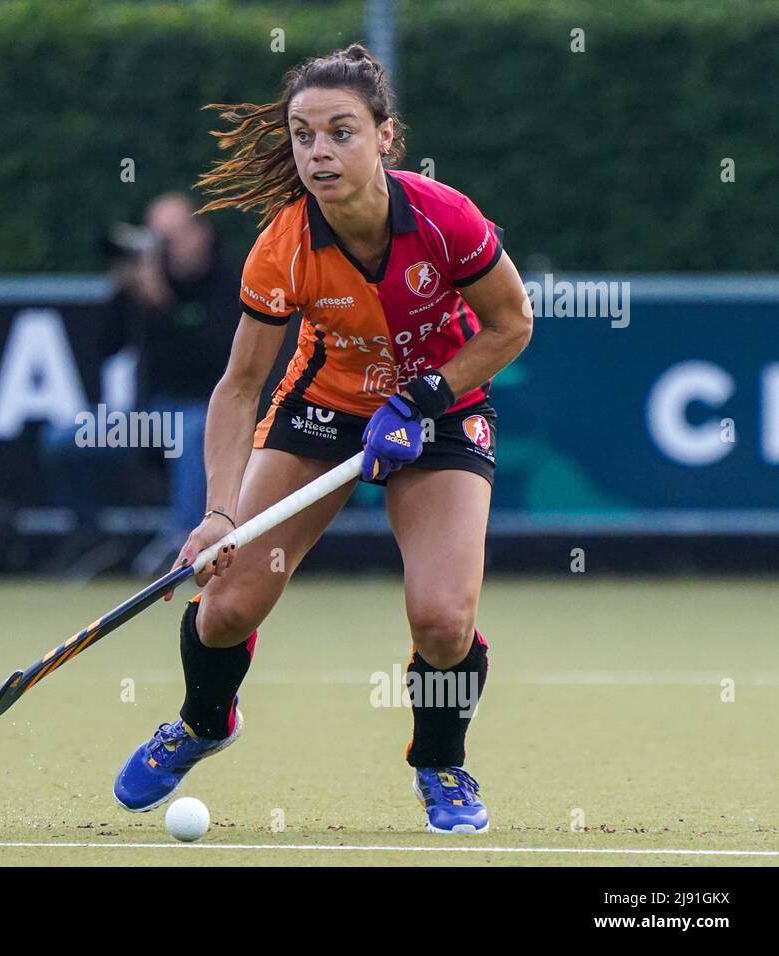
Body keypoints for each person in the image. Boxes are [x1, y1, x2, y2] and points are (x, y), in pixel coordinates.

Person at [111, 44, 533, 833]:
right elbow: (239, 388)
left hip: (439, 413)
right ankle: (204, 722)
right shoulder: (284, 245)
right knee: (225, 607)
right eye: (304, 135)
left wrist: (423, 396)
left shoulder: (446, 219)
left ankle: (441, 764)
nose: (319, 152)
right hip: (322, 414)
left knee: (443, 619)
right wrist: (218, 514)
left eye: (341, 132)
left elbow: (512, 325)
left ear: (385, 137)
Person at [40, 193, 244, 576]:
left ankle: (181, 539)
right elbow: (103, 347)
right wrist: (123, 293)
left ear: (200, 233)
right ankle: (90, 536)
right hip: (149, 421)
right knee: (62, 441)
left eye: (172, 238)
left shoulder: (229, 280)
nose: (165, 250)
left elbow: (214, 355)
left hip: (212, 417)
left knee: (190, 430)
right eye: (156, 239)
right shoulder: (146, 282)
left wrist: (162, 302)